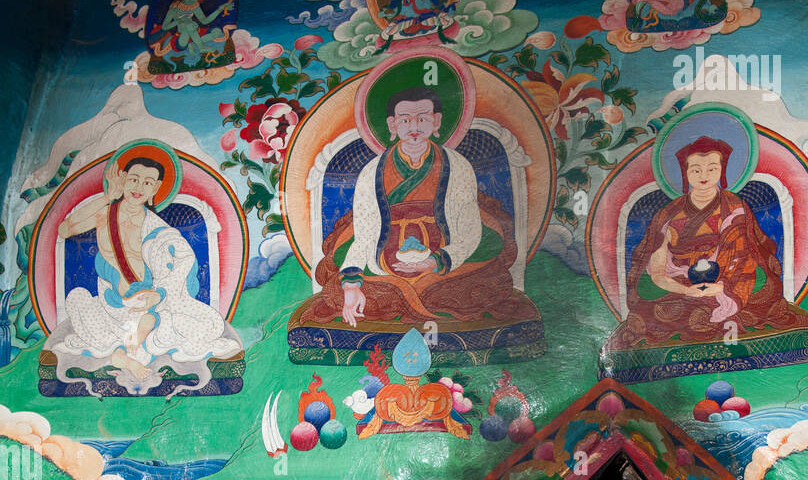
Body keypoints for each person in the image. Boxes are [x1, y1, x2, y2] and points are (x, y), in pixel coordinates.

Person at [291, 86, 541, 334]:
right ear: (392, 125)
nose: (414, 127)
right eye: (405, 119)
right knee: (341, 289)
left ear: (436, 121)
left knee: (488, 281)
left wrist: (434, 262)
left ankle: (413, 298)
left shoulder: (457, 166)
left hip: (445, 257)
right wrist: (352, 286)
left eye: (422, 118)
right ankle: (410, 299)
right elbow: (365, 234)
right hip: (383, 259)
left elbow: (470, 230)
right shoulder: (372, 172)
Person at [48, 153, 242, 395]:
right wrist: (108, 197)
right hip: (112, 304)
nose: (139, 187)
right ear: (123, 180)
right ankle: (128, 350)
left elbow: (184, 260)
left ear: (156, 189)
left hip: (150, 302)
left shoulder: (157, 227)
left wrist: (160, 294)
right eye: (134, 179)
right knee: (77, 299)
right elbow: (65, 229)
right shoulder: (104, 214)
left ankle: (127, 349)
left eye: (148, 182)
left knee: (208, 325)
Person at [605, 135, 808, 352]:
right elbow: (657, 271)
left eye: (711, 168)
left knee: (762, 288)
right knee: (647, 300)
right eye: (696, 170)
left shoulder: (735, 207)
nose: (704, 176)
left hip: (732, 278)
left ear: (721, 170)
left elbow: (745, 256)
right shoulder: (669, 214)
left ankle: (708, 314)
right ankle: (705, 315)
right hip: (680, 283)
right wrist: (686, 291)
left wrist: (721, 287)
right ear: (685, 173)